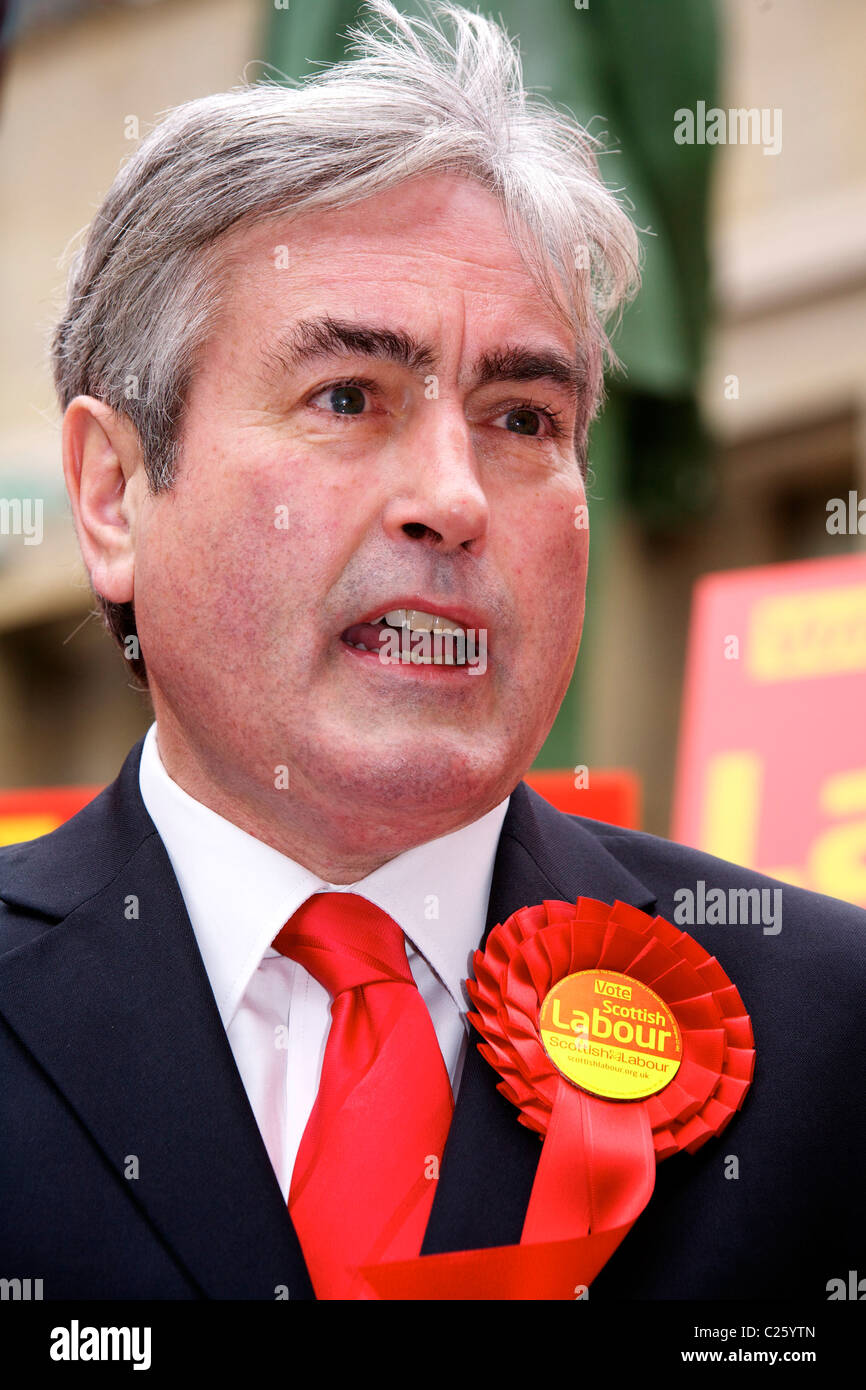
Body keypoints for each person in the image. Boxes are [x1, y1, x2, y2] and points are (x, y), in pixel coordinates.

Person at [1, 0, 863, 1302]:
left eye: (522, 415)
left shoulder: (828, 1033)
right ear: (115, 495)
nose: (453, 498)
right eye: (347, 398)